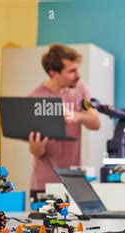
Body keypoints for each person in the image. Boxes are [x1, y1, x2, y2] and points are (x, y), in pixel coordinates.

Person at [28, 44, 100, 199]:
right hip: (44, 185)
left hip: (74, 182)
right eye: (72, 71)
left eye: (77, 69)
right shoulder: (35, 98)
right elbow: (36, 151)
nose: (78, 75)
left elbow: (95, 123)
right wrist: (37, 147)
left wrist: (78, 116)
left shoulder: (80, 89)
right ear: (54, 73)